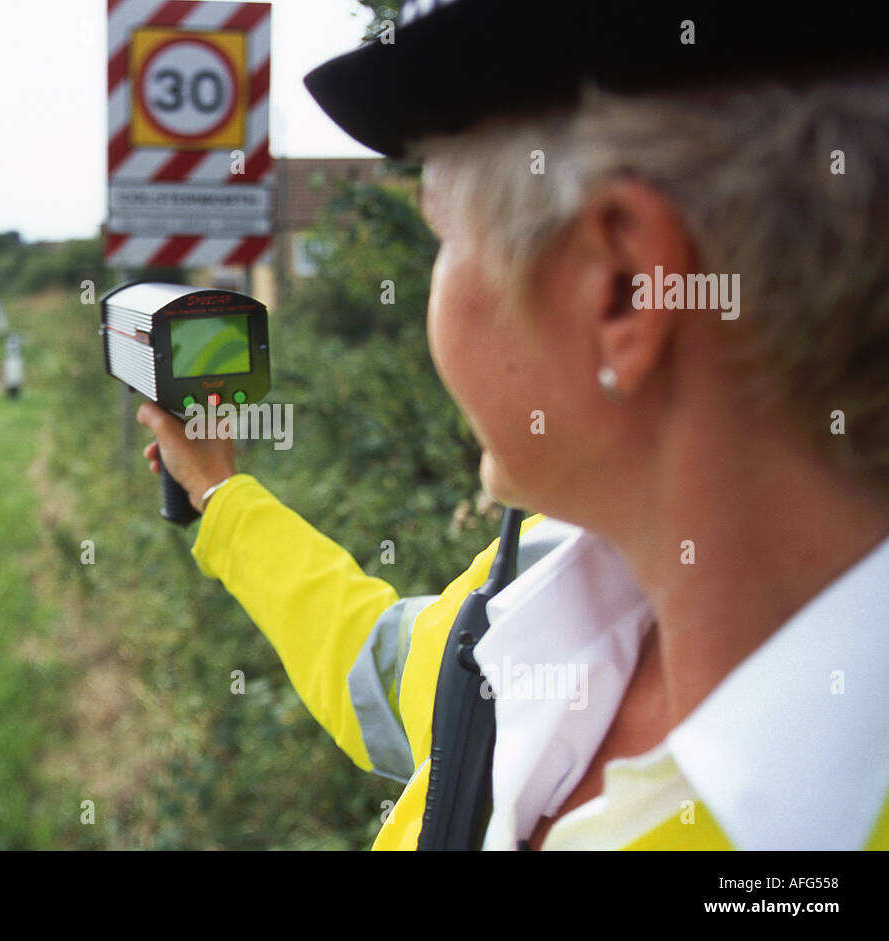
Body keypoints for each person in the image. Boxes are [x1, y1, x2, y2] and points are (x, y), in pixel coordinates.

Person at [136, 1, 889, 850]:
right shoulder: (532, 601)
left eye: (442, 236)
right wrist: (221, 496)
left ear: (624, 290)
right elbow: (376, 665)